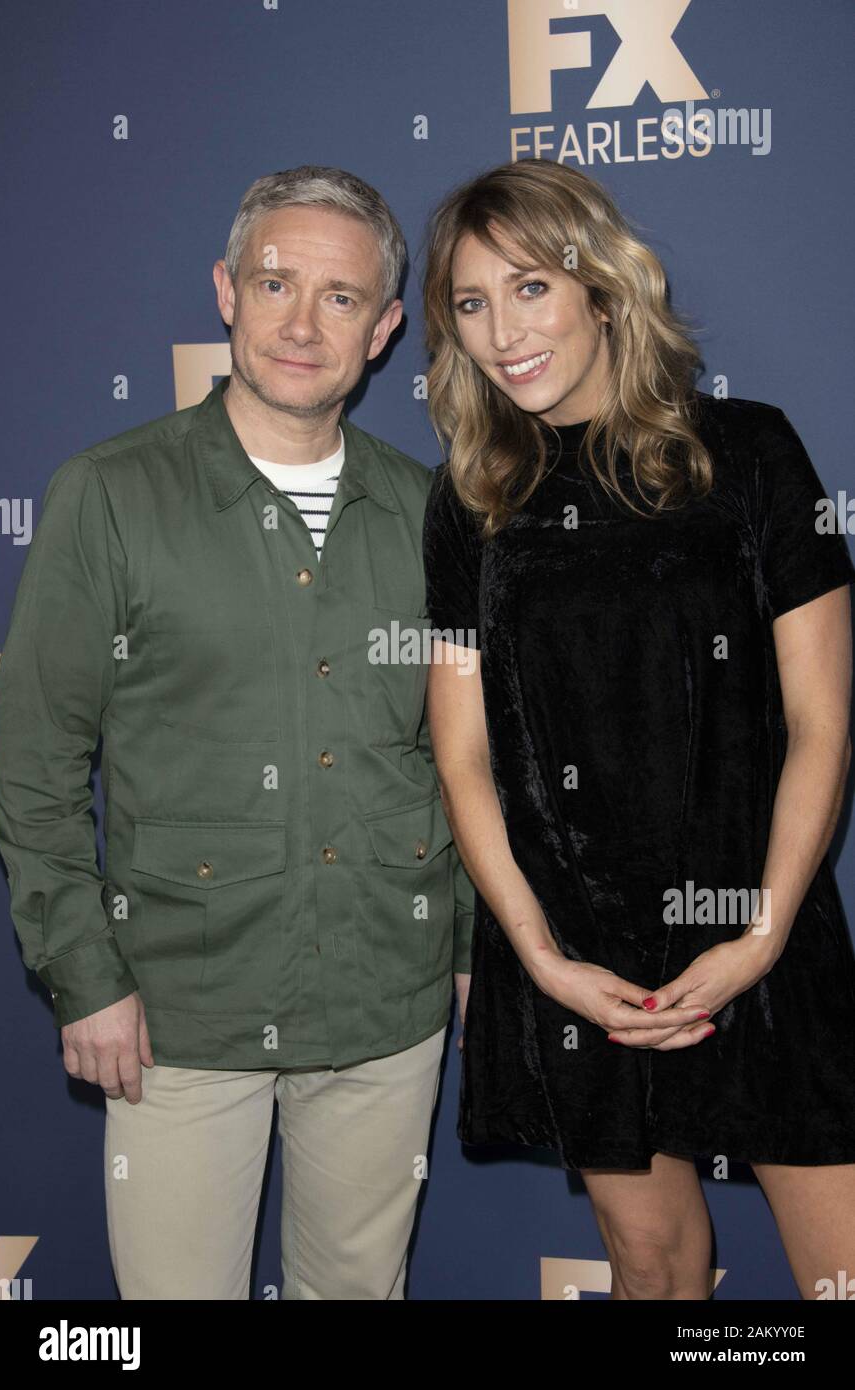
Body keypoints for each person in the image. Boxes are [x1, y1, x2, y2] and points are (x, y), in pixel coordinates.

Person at [0, 165, 475, 1300]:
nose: (301, 324)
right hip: (174, 1012)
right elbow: (35, 762)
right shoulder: (108, 496)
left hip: (383, 1003)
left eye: (341, 298)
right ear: (225, 291)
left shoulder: (432, 515)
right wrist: (83, 972)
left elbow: (460, 762)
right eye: (273, 283)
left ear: (386, 327)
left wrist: (463, 952)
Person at [420, 157, 855, 1300]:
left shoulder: (749, 452)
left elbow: (821, 724)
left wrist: (756, 937)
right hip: (575, 951)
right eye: (470, 303)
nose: (501, 330)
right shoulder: (469, 500)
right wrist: (539, 954)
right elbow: (460, 752)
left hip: (756, 929)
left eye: (527, 287)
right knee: (652, 1271)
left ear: (600, 289)